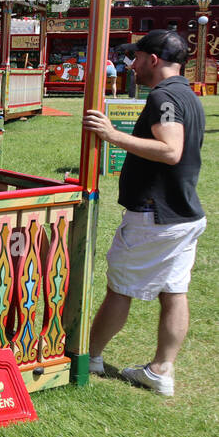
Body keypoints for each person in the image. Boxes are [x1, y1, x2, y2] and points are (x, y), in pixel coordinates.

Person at [82, 30, 206, 398]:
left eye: (135, 57)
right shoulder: (187, 94)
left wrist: (111, 135)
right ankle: (161, 370)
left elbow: (170, 150)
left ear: (153, 59)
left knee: (120, 287)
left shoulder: (164, 95)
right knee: (174, 290)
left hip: (154, 214)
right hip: (182, 213)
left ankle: (88, 356)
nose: (131, 65)